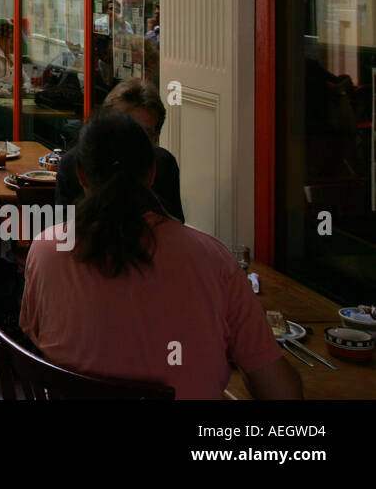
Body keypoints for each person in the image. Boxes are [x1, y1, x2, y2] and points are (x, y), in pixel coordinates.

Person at [21, 111, 301, 399]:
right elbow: (281, 393)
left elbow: (41, 342)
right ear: (153, 173)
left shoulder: (45, 250)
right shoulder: (214, 259)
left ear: (80, 174)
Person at [53, 77, 184, 221]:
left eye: (144, 134)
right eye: (121, 130)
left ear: (156, 137)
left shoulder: (164, 163)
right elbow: (64, 231)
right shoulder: (74, 162)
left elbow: (173, 228)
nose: (131, 143)